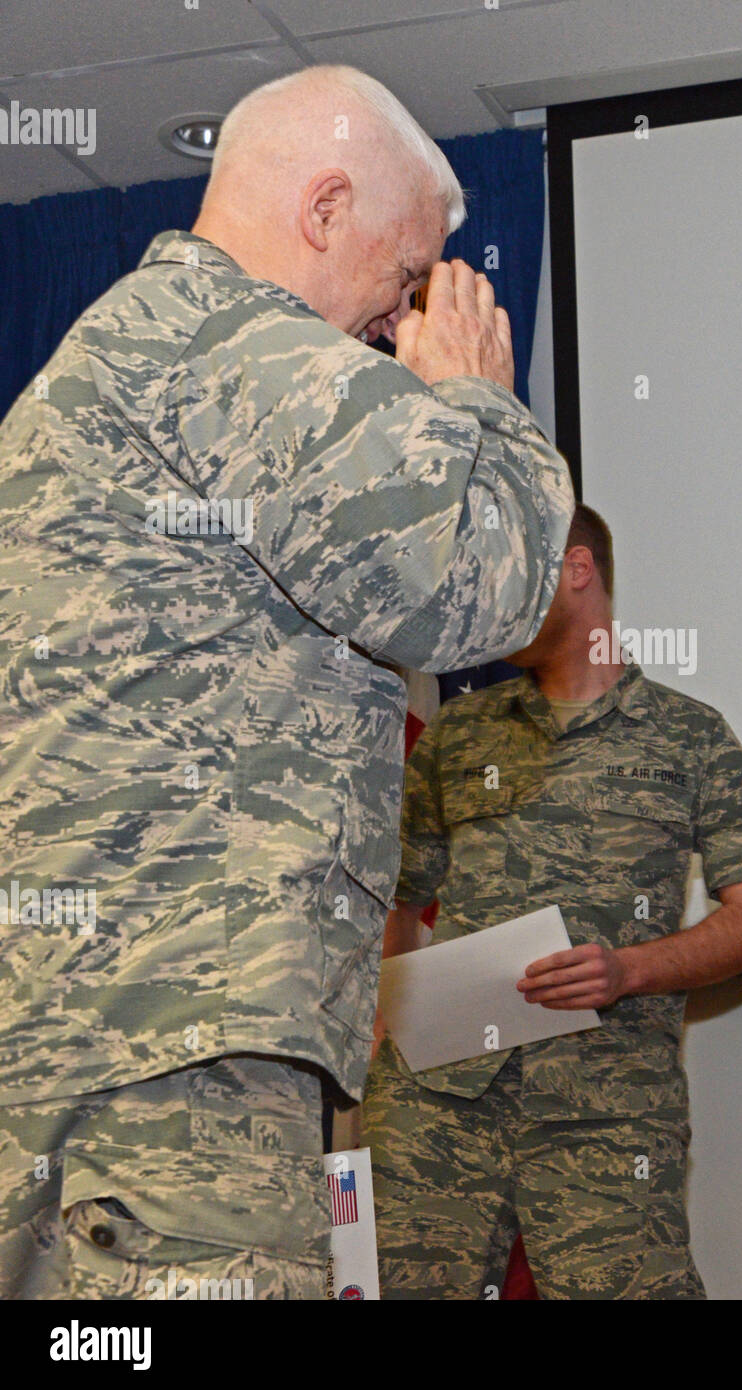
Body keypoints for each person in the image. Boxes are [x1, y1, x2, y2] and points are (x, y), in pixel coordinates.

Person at [0, 65, 574, 1299]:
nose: (396, 321)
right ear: (324, 210)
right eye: (404, 273)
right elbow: (482, 589)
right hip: (181, 1051)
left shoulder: (101, 363)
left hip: (74, 1051)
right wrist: (480, 391)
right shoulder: (244, 346)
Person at [363, 504, 742, 1299]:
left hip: (608, 1106)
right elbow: (395, 890)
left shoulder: (691, 737)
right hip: (437, 1103)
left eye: (508, 573)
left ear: (577, 569)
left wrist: (627, 970)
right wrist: (386, 1020)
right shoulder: (459, 733)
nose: (487, 599)